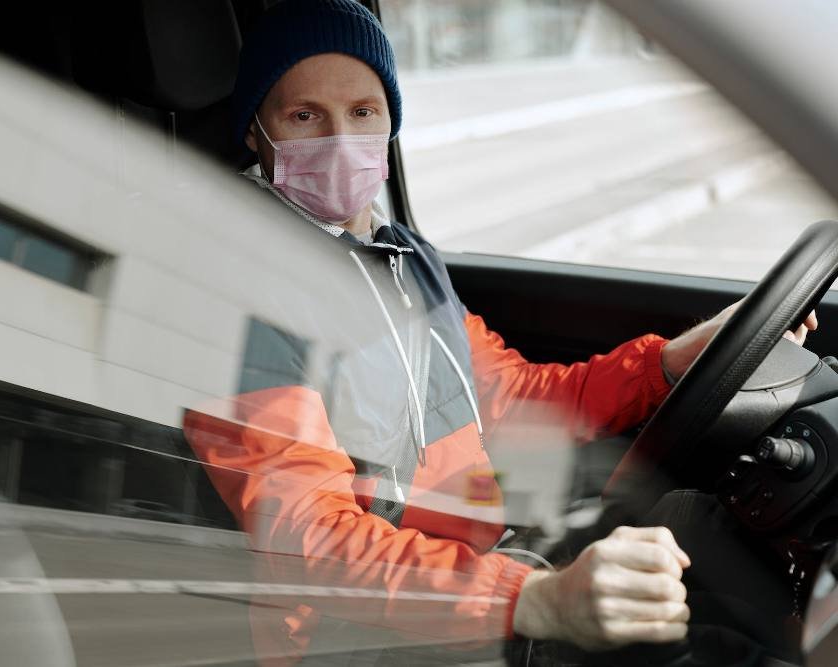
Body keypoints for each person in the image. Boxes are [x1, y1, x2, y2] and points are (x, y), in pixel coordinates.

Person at [182, 1, 817, 664]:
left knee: (704, 530)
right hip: (363, 634)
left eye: (363, 112)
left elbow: (512, 397)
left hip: (480, 567)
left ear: (390, 119)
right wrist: (532, 599)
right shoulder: (238, 288)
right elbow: (308, 540)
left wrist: (664, 364)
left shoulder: (403, 259)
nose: (341, 139)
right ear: (257, 131)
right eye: (305, 115)